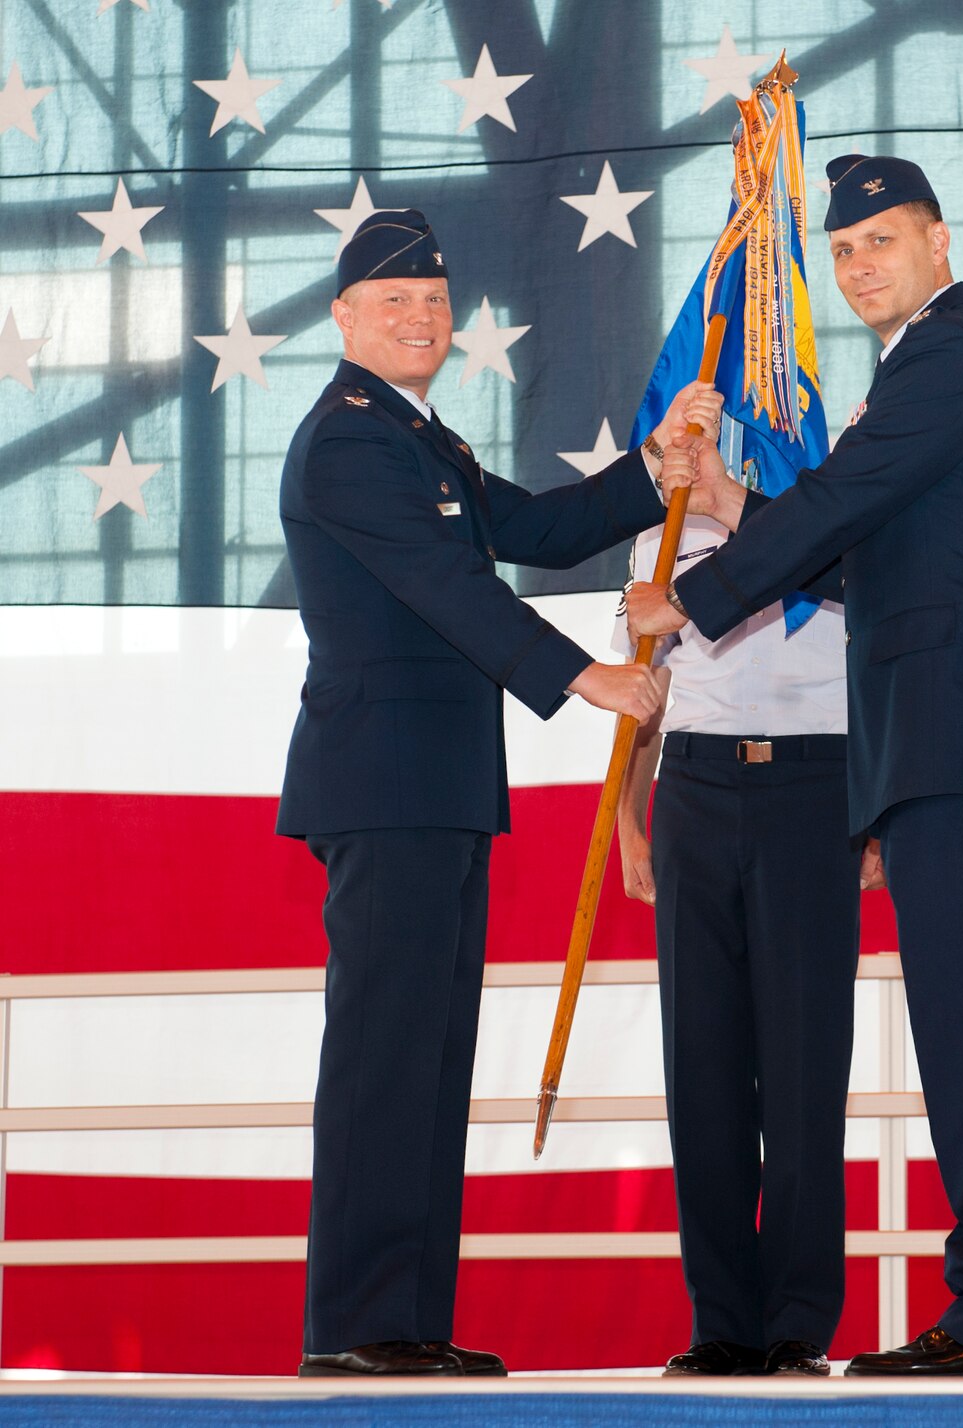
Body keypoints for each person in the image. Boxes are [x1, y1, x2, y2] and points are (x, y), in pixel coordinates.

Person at [628, 155, 963, 1377]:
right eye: (841, 249)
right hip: (951, 749)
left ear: (941, 243)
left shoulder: (947, 357)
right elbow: (857, 548)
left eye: (882, 237)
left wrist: (694, 598)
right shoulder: (928, 367)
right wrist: (728, 500)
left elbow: (845, 502)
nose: (858, 263)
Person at [277, 208, 717, 1377]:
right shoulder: (349, 441)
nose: (419, 317)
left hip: (438, 786)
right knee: (386, 1054)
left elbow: (528, 526)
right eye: (391, 303)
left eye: (432, 301)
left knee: (429, 1054)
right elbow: (445, 587)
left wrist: (651, 471)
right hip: (385, 787)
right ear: (342, 319)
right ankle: (360, 1325)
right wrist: (591, 679)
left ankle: (406, 1321)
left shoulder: (425, 441)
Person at [612, 490, 864, 1379]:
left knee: (804, 1067)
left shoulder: (824, 509)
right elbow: (649, 681)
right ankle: (722, 1320)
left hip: (814, 781)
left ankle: (797, 1322)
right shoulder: (664, 529)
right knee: (703, 1066)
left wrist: (875, 809)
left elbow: (878, 659)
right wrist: (627, 816)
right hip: (696, 786)